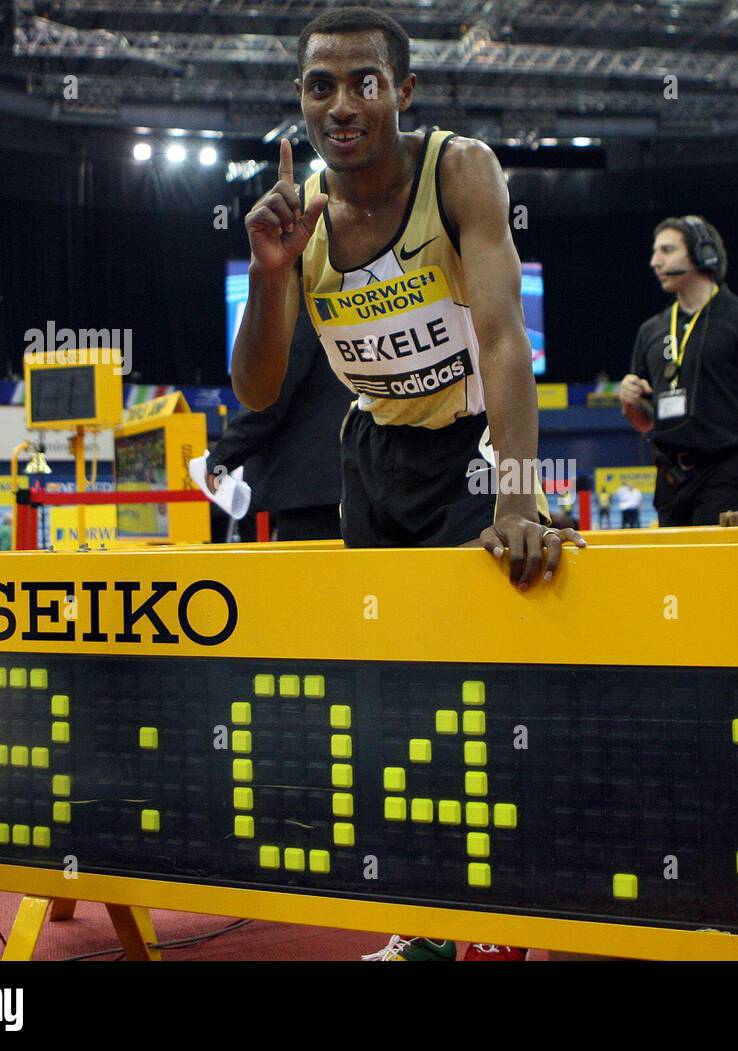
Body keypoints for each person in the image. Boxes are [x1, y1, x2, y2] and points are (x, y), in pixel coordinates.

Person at [232, 4, 581, 961]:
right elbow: (258, 387)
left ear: (404, 91)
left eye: (363, 82)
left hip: (473, 445)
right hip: (374, 458)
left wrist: (517, 494)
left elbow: (505, 339)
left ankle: (505, 918)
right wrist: (269, 276)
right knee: (396, 703)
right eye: (319, 85)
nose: (341, 104)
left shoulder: (457, 170)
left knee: (487, 693)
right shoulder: (298, 217)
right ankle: (428, 924)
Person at [619, 216, 738, 527]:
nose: (655, 261)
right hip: (670, 476)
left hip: (729, 471)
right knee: (678, 574)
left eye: (667, 250)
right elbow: (645, 423)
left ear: (703, 254)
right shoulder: (651, 331)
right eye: (655, 251)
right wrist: (630, 404)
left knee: (712, 570)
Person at [208, 312, 352, 541]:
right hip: (351, 479)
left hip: (310, 489)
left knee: (307, 575)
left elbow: (269, 394)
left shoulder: (296, 297)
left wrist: (219, 459)